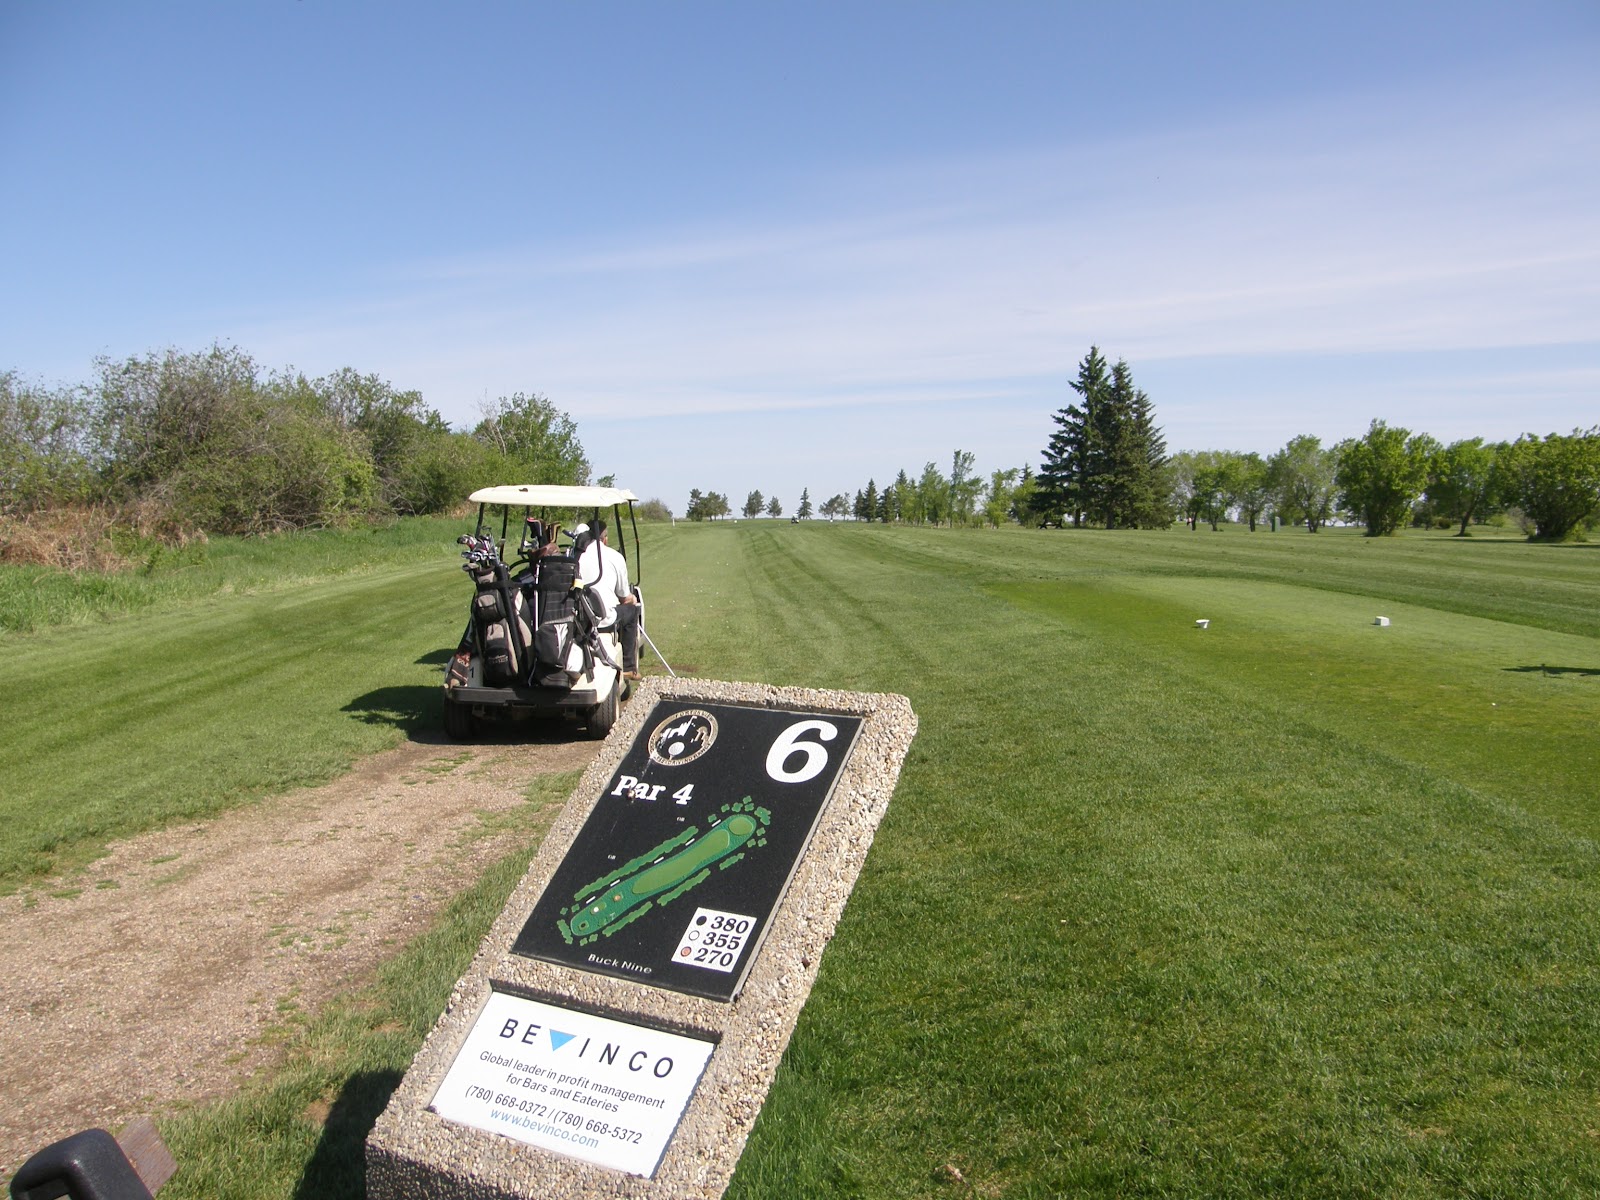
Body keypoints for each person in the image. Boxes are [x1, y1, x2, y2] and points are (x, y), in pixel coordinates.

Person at [577, 519, 641, 680]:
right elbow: (624, 597)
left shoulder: (575, 555)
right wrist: (632, 598)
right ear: (604, 537)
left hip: (578, 616)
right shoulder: (614, 556)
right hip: (603, 618)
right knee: (632, 611)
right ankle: (628, 666)